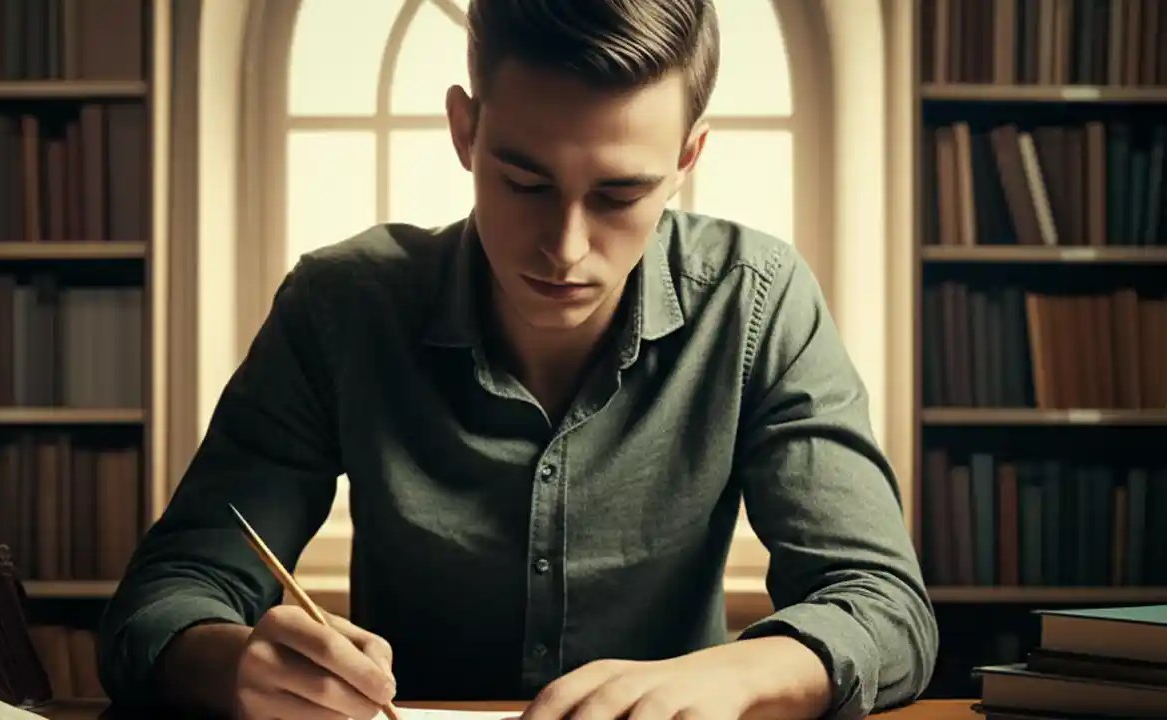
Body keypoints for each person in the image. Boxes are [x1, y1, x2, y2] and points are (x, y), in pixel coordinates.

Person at [97, 1, 938, 718]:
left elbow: (887, 610)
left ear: (686, 161)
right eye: (524, 183)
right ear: (466, 130)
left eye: (619, 194)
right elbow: (165, 597)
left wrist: (738, 676)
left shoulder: (757, 301)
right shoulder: (340, 305)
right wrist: (233, 667)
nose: (566, 248)